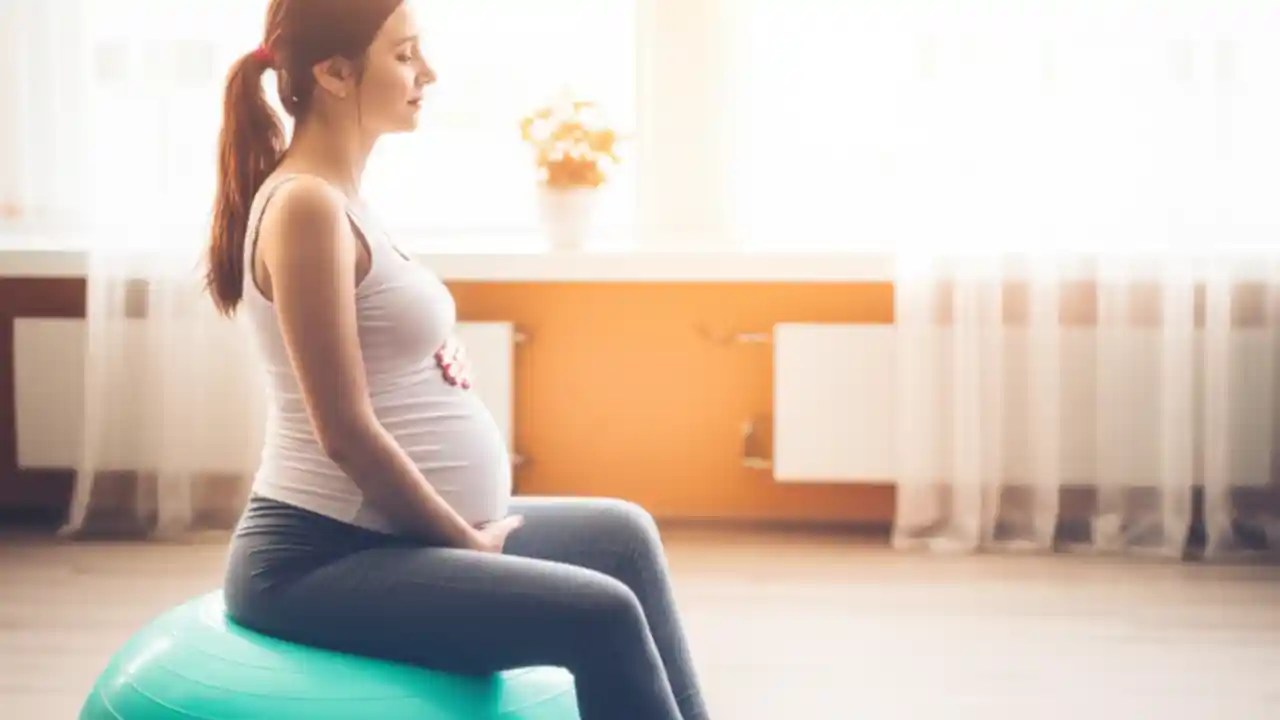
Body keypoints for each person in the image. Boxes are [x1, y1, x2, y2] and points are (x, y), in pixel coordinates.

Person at [206, 2, 709, 718]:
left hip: (387, 539)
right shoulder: (305, 208)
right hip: (318, 558)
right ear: (336, 73)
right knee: (600, 614)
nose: (428, 73)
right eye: (406, 55)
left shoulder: (344, 199)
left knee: (623, 535)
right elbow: (342, 430)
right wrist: (463, 540)